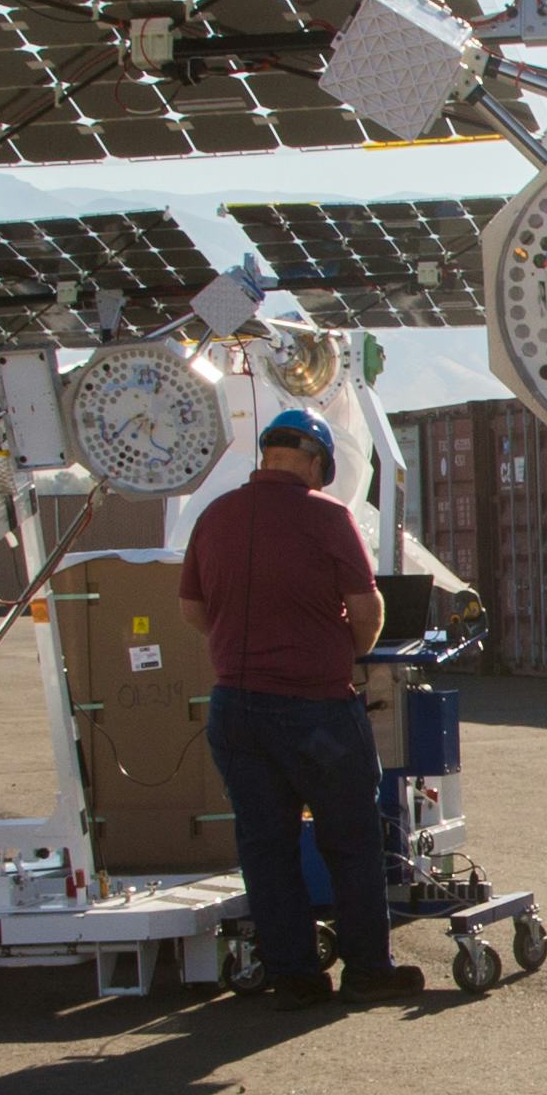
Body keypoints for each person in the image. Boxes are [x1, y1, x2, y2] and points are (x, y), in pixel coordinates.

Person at [181, 408, 407, 1008]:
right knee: (352, 839)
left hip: (235, 708)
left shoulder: (215, 516)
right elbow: (367, 609)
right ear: (315, 461)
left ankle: (294, 976)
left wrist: (237, 651)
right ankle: (367, 970)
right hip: (314, 709)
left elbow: (194, 611)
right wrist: (341, 655)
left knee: (265, 844)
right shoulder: (327, 517)